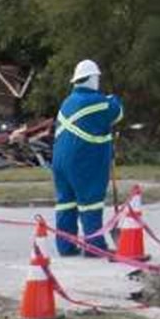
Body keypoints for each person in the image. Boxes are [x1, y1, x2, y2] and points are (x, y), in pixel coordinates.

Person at [51, 59, 123, 256]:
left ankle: (65, 246)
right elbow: (117, 112)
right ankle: (94, 247)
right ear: (93, 79)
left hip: (59, 161)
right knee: (89, 201)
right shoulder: (98, 102)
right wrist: (113, 98)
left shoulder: (67, 102)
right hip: (83, 160)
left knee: (66, 202)